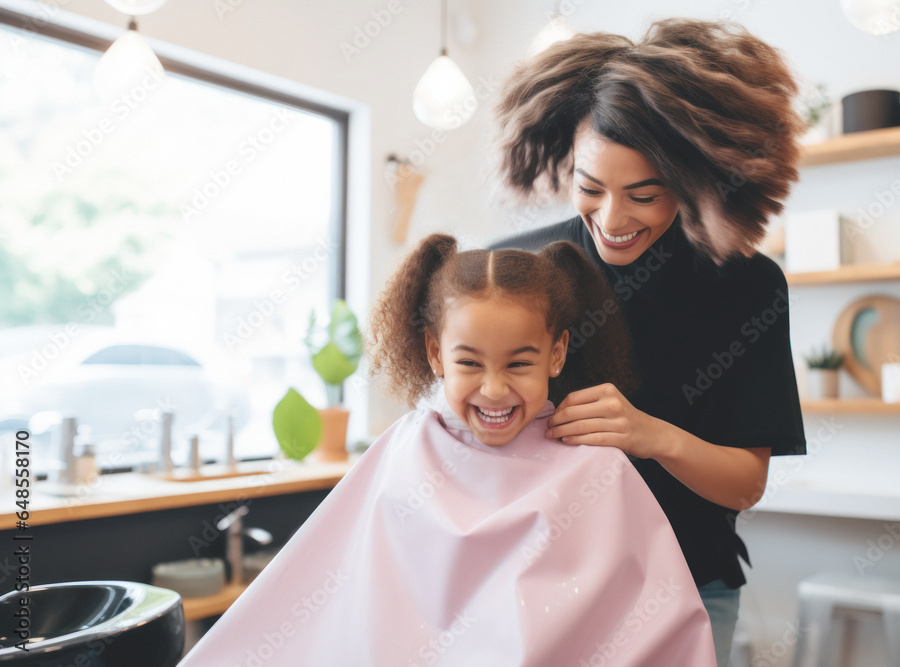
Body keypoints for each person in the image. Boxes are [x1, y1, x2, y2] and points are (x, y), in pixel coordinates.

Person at [178, 234, 716, 666]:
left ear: (558, 353)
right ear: (435, 353)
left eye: (519, 363)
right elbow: (343, 598)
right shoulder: (407, 450)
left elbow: (646, 621)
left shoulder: (593, 463)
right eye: (470, 363)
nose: (495, 389)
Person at [487, 17, 808, 666]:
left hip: (688, 583)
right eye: (590, 188)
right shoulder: (514, 271)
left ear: (692, 183)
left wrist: (650, 434)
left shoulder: (746, 286)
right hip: (532, 582)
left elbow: (746, 482)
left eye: (643, 194)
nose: (611, 219)